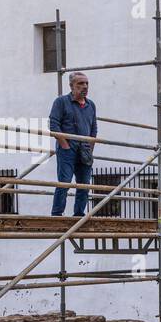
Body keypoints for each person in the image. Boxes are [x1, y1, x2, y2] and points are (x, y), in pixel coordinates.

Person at [49, 72, 97, 217]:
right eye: (80, 84)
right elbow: (54, 125)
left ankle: (79, 214)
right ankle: (57, 214)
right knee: (65, 181)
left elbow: (93, 128)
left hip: (84, 148)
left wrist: (90, 148)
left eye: (86, 83)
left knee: (84, 184)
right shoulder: (61, 102)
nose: (85, 86)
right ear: (71, 86)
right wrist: (64, 145)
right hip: (68, 148)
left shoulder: (90, 105)